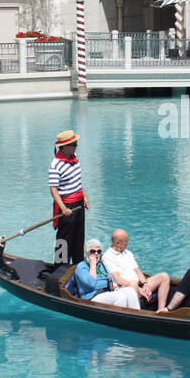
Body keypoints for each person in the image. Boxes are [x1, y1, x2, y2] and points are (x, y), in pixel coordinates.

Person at [102, 228, 171, 311]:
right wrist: (139, 289)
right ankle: (138, 312)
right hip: (126, 287)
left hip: (138, 285)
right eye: (126, 241)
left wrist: (145, 284)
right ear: (117, 243)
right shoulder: (107, 256)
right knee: (133, 284)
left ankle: (161, 310)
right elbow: (118, 280)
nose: (128, 243)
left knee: (164, 276)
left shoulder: (128, 253)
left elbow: (138, 271)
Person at [48, 129, 89, 265]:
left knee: (79, 237)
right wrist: (63, 208)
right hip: (67, 206)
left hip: (79, 203)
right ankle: (59, 269)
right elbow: (53, 190)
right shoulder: (55, 165)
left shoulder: (74, 158)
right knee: (64, 239)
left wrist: (85, 197)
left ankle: (78, 266)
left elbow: (78, 182)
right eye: (73, 144)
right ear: (64, 147)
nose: (76, 146)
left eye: (75, 143)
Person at [69, 241, 138, 308]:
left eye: (98, 251)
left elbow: (112, 280)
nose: (96, 254)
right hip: (92, 297)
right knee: (119, 296)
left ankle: (136, 316)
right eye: (93, 251)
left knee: (130, 291)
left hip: (108, 292)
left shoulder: (101, 265)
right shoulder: (82, 267)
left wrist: (114, 284)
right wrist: (93, 265)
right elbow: (91, 284)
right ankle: (118, 319)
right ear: (87, 253)